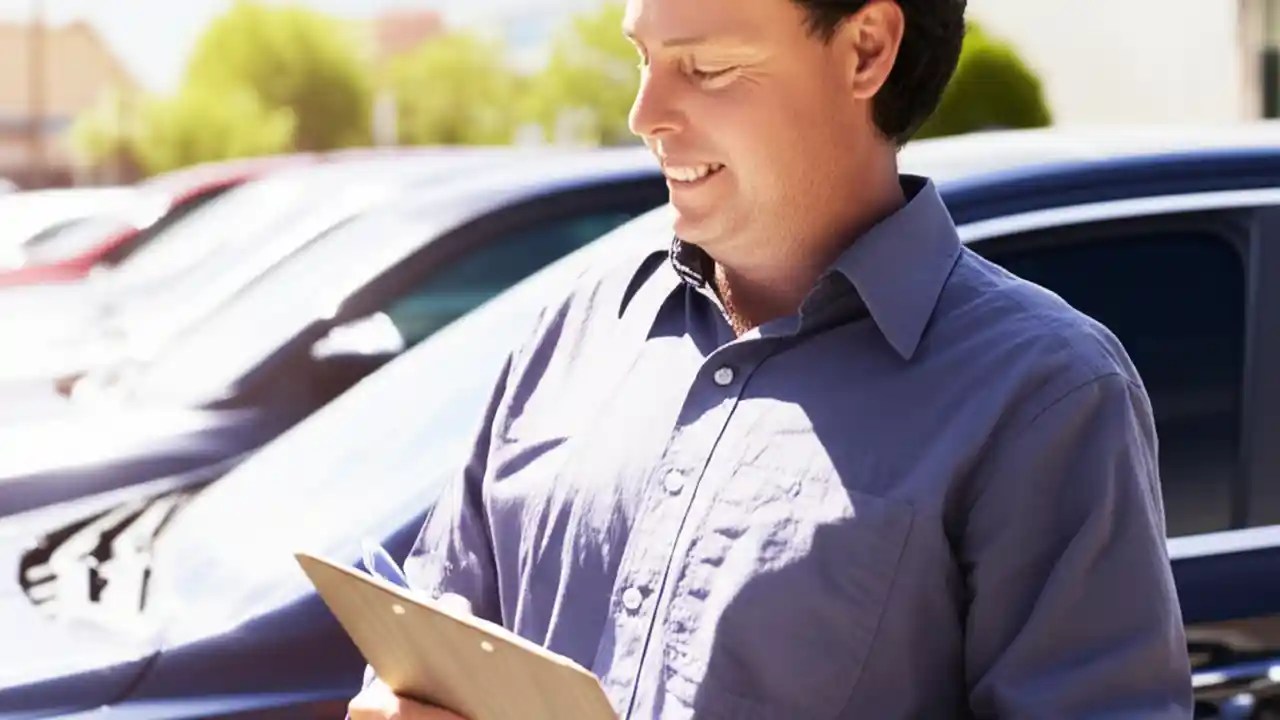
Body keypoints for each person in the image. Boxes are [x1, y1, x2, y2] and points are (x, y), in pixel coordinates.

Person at [349, 0, 1194, 716]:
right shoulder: (572, 333)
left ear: (866, 50)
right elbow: (436, 632)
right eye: (642, 59)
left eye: (706, 69)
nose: (645, 114)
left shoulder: (1046, 395)